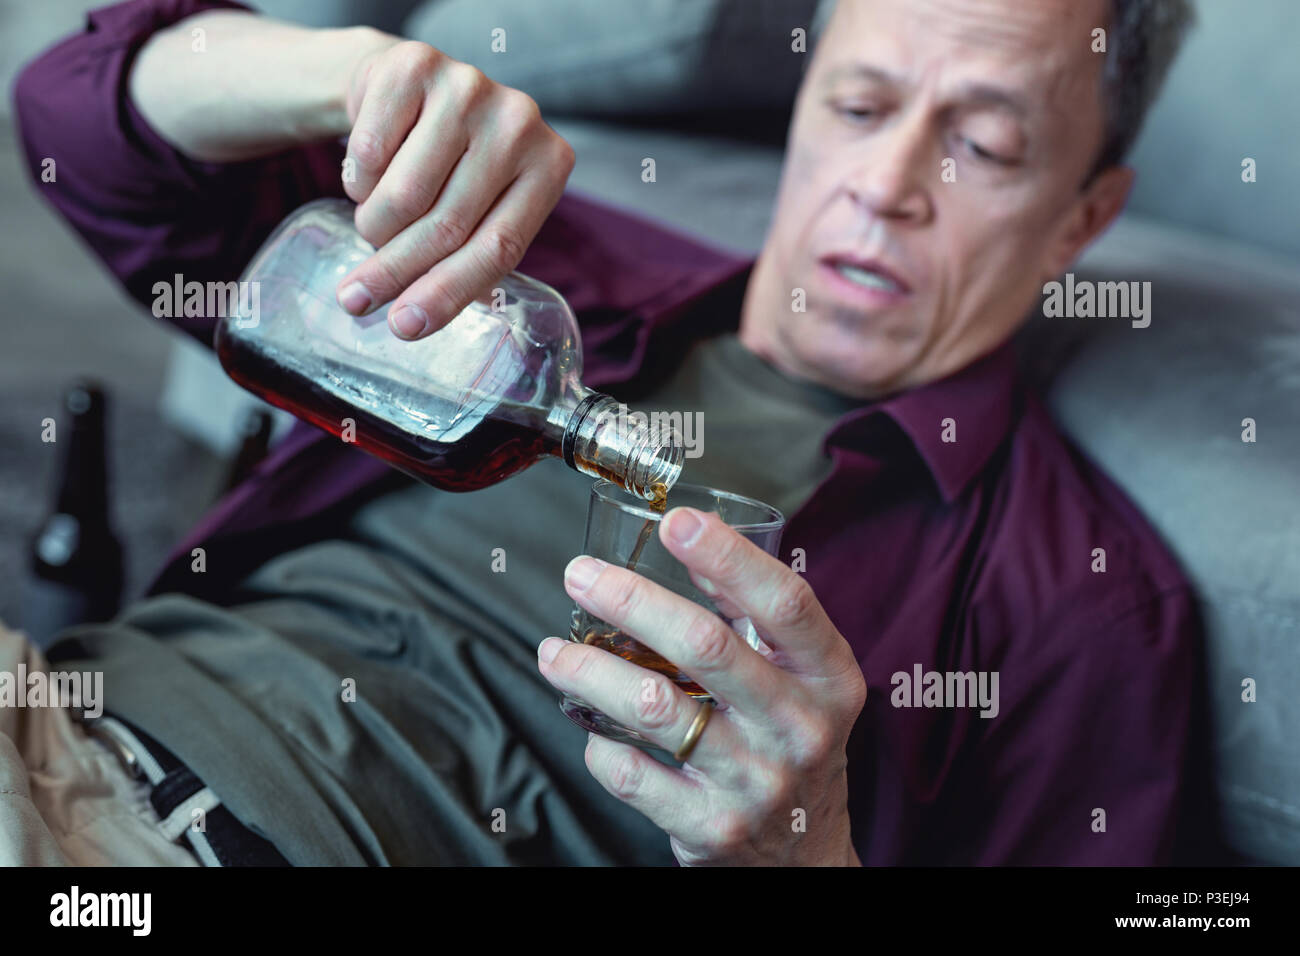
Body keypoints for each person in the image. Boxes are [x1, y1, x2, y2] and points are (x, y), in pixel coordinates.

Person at [5, 0, 1221, 865]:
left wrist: (800, 860)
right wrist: (354, 70)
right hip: (53, 710)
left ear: (1082, 216)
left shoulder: (1083, 605)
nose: (887, 182)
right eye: (859, 102)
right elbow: (78, 134)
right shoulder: (547, 261)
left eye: (983, 145)